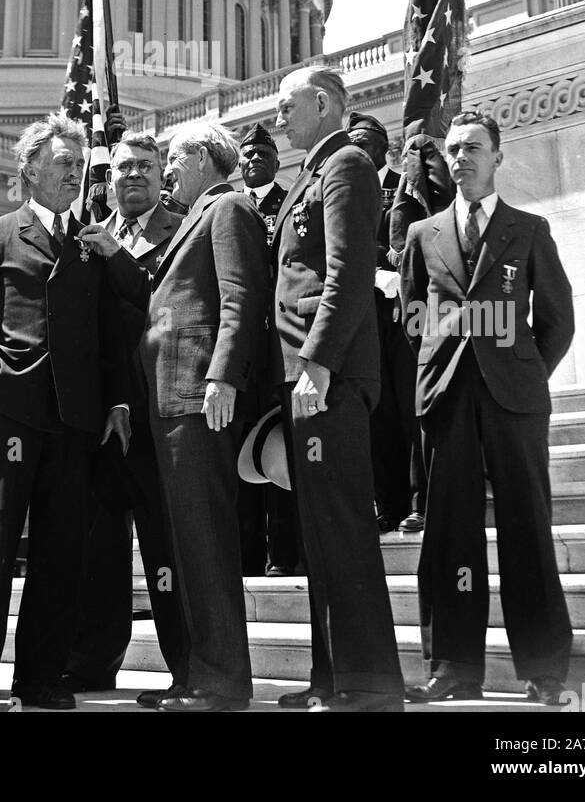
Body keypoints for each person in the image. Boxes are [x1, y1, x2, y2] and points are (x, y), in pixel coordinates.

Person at [0, 112, 149, 712]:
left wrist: (113, 401)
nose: (74, 174)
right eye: (63, 164)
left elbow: (115, 328)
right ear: (29, 169)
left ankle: (40, 675)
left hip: (74, 420)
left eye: (79, 166)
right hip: (9, 411)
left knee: (61, 556)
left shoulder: (92, 242)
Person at [400, 111, 575, 705]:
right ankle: (452, 667)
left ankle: (545, 669)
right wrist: (441, 365)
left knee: (526, 527)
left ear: (498, 157)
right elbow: (411, 317)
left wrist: (522, 374)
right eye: (453, 150)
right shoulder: (423, 234)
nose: (461, 158)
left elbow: (556, 321)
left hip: (514, 402)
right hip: (447, 396)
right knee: (449, 533)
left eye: (474, 148)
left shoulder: (529, 229)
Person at [272, 66, 404, 713]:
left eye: (285, 106)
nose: (276, 121)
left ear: (321, 103)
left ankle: (368, 683)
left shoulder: (347, 164)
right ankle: (332, 679)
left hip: (327, 379)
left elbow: (348, 273)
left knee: (343, 530)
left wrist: (317, 365)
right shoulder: (311, 174)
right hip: (305, 378)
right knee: (319, 535)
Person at [139, 122, 271, 713]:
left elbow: (239, 296)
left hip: (198, 395)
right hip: (170, 399)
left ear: (203, 159)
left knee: (206, 542)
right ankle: (195, 673)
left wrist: (222, 375)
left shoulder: (230, 208)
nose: (166, 169)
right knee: (186, 545)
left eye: (174, 158)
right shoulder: (197, 216)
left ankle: (221, 684)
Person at [64, 131, 187, 701]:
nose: (132, 175)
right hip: (105, 417)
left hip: (161, 408)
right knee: (99, 549)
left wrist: (118, 259)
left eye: (144, 165)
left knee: (168, 547)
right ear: (107, 177)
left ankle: (186, 666)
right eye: (122, 168)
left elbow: (164, 302)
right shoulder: (90, 236)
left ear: (163, 171)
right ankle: (95, 661)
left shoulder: (184, 225)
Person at [347, 111, 427, 535]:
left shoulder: (402, 185)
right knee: (377, 412)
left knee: (410, 404)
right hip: (363, 314)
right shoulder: (343, 186)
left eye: (364, 139)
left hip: (403, 312)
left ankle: (419, 499)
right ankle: (389, 502)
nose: (356, 146)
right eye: (351, 139)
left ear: (384, 145)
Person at [236, 121, 299, 576]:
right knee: (241, 453)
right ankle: (247, 554)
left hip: (278, 347)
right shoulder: (228, 207)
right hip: (240, 351)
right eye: (248, 154)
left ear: (278, 161)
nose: (255, 159)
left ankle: (285, 555)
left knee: (279, 455)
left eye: (263, 154)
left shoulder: (292, 205)